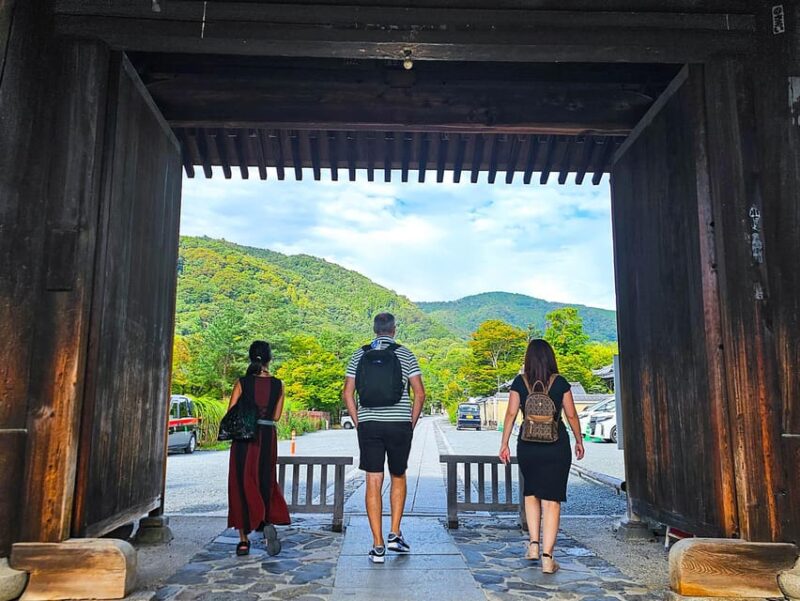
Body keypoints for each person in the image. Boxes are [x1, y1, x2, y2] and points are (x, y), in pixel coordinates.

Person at [342, 313, 426, 564]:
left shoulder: (359, 354)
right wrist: (410, 423)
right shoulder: (405, 354)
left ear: (374, 329)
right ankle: (394, 534)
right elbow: (420, 393)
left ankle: (377, 545)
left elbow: (347, 393)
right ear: (394, 330)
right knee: (398, 475)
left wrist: (359, 422)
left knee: (373, 480)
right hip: (399, 424)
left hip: (369, 424)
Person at [498, 339, 585, 574]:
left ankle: (533, 546)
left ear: (528, 359)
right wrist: (579, 440)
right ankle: (548, 558)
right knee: (551, 500)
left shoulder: (520, 382)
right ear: (550, 358)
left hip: (528, 446)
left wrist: (504, 444)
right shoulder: (561, 382)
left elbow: (511, 413)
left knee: (531, 494)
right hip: (556, 446)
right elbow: (572, 415)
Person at [227, 340, 291, 556]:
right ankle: (264, 522)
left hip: (245, 438)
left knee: (241, 482)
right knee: (265, 480)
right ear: (269, 359)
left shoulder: (242, 382)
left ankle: (243, 541)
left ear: (250, 357)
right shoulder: (278, 385)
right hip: (267, 436)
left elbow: (231, 412)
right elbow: (276, 416)